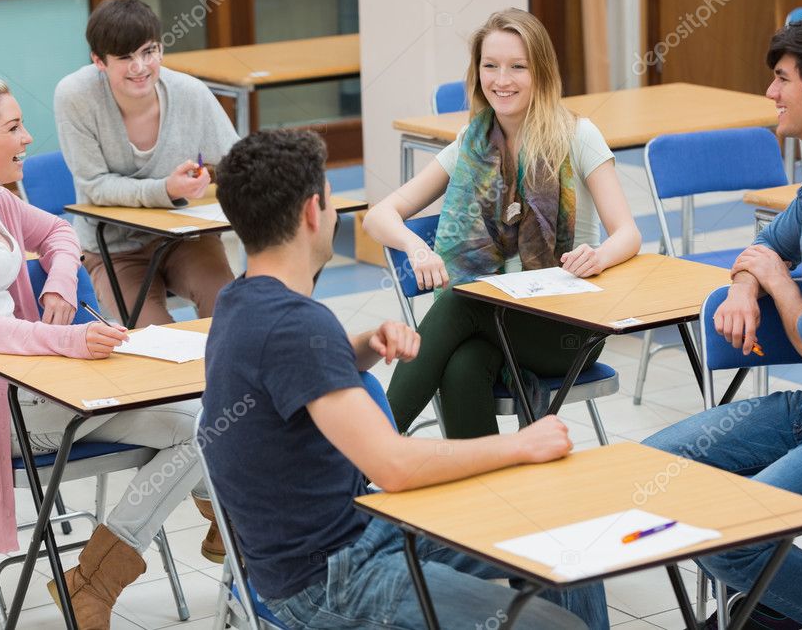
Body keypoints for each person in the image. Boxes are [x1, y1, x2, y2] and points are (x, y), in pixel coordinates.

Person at [200, 128, 609, 630]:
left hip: (358, 533)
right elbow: (393, 465)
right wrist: (521, 444)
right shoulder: (294, 325)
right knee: (555, 627)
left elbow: (290, 371)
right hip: (332, 577)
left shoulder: (240, 300)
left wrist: (365, 343)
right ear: (312, 212)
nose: (334, 214)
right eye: (330, 202)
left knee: (564, 525)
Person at [0, 76, 222, 628]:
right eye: (13, 128)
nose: (28, 138)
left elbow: (59, 233)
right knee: (196, 429)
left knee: (198, 423)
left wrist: (58, 282)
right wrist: (70, 340)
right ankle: (141, 559)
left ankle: (92, 581)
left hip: (36, 386)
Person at [644, 11, 802, 629]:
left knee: (731, 536)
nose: (771, 93)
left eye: (783, 78)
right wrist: (742, 286)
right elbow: (762, 247)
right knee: (651, 475)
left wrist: (776, 280)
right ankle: (770, 607)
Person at [364, 8, 641, 438]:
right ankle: (485, 495)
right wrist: (417, 247)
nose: (501, 80)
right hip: (494, 322)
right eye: (490, 66)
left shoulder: (577, 135)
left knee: (461, 300)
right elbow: (380, 216)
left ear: (542, 72)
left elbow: (629, 234)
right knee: (462, 365)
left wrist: (599, 255)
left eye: (517, 67)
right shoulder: (472, 143)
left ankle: (368, 451)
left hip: (568, 328)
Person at [54, 0, 238, 328]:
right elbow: (94, 186)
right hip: (113, 248)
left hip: (185, 239)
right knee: (153, 338)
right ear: (99, 61)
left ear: (161, 50)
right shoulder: (75, 96)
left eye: (148, 52)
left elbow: (240, 164)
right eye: (125, 58)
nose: (140, 67)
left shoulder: (189, 93)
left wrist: (216, 179)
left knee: (230, 312)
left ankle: (228, 380)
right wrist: (165, 189)